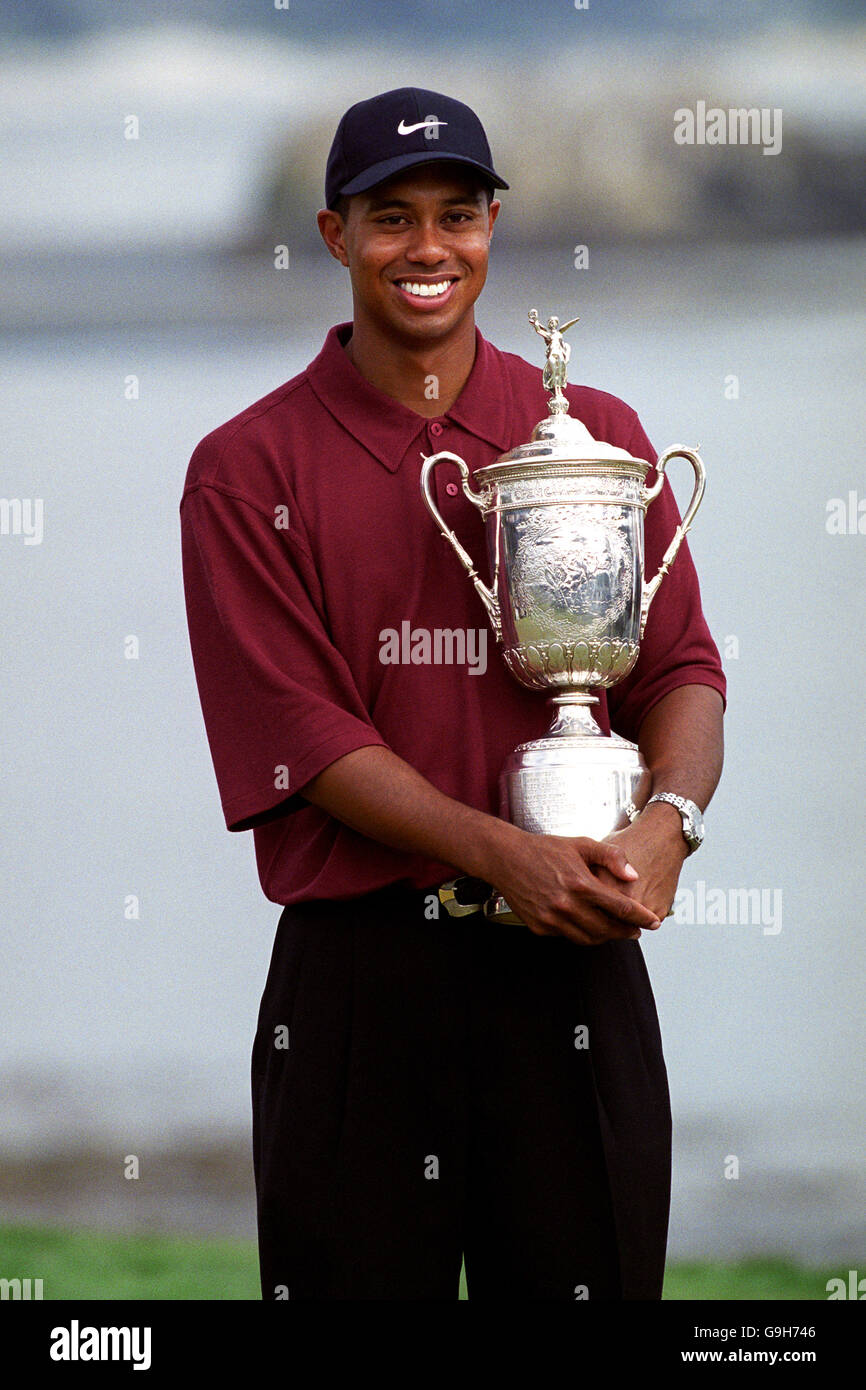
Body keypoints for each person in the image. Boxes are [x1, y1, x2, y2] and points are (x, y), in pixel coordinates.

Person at [179, 86, 726, 1301]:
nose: (427, 249)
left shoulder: (595, 438)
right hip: (362, 990)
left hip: (574, 970)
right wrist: (500, 857)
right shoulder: (244, 469)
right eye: (390, 218)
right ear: (334, 236)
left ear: (491, 227)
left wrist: (665, 827)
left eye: (457, 214)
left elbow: (680, 670)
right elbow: (304, 738)